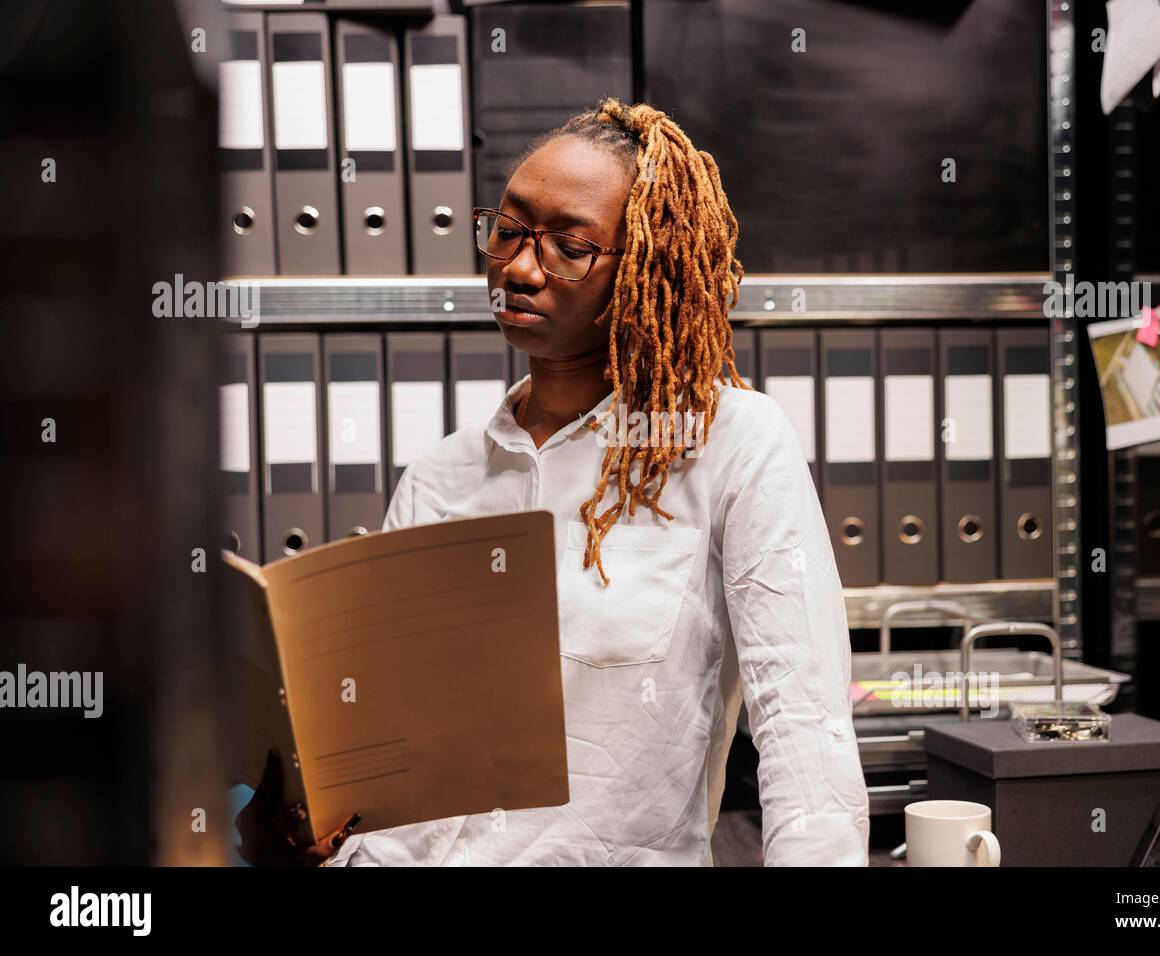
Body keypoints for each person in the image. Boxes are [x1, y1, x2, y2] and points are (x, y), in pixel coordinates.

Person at [238, 98, 870, 866]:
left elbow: (807, 737)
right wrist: (314, 827)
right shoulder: (440, 477)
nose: (521, 269)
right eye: (507, 231)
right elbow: (393, 770)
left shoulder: (729, 445)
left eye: (570, 247)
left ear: (643, 268)